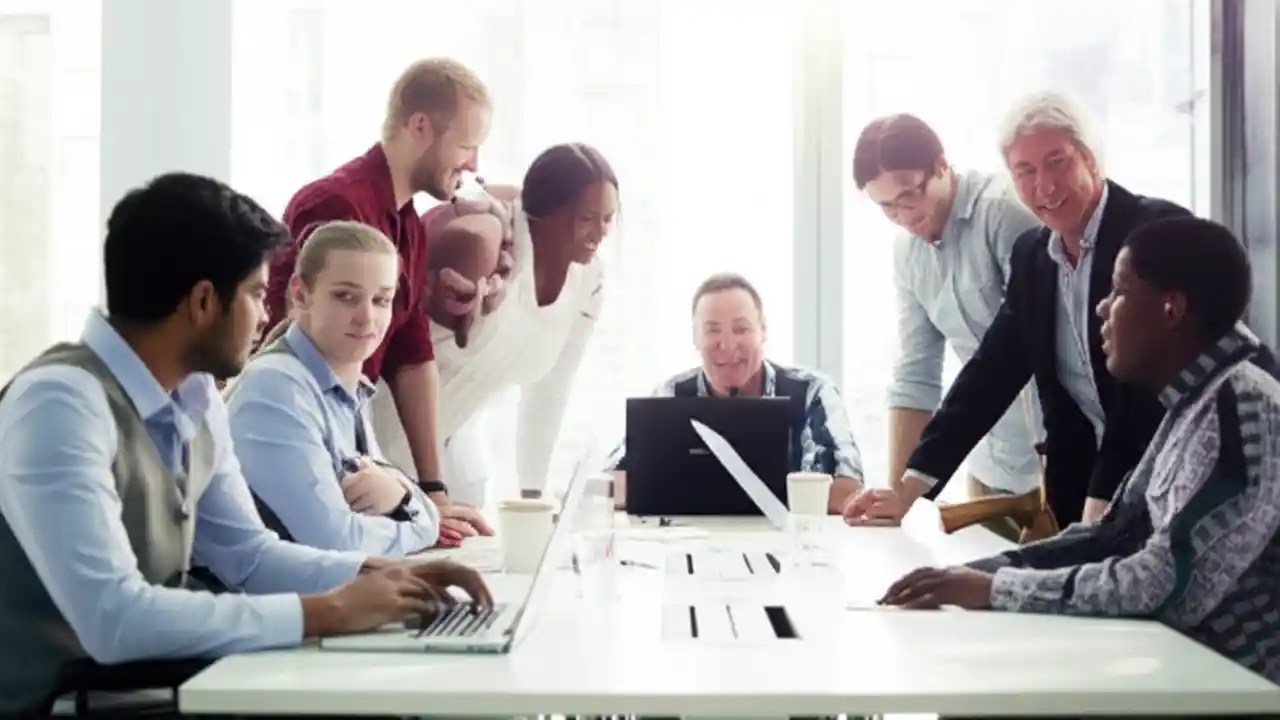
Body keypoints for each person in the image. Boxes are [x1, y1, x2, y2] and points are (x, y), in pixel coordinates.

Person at [0, 173, 491, 715]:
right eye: (258, 294)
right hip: (53, 701)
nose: (267, 317)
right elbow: (114, 618)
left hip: (135, 684)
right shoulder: (61, 403)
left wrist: (383, 575)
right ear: (204, 302)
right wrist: (329, 610)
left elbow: (250, 558)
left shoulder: (195, 397)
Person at [878, 216, 1279, 686]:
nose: (1102, 309)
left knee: (982, 681)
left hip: (1230, 692)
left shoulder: (1239, 410)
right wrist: (980, 573)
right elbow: (1113, 535)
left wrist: (995, 588)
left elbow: (1163, 584)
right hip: (1175, 671)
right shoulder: (1197, 398)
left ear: (1171, 309)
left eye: (1119, 291)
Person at [844, 91, 1189, 529]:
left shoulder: (1152, 234)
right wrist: (907, 489)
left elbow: (1142, 395)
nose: (1043, 187)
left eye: (1057, 163)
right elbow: (990, 373)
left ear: (1089, 158)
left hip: (1176, 475)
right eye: (1024, 171)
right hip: (1074, 474)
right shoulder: (1036, 254)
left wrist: (1096, 514)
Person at [265, 57, 504, 538]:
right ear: (419, 126)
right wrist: (413, 510)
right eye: (466, 145)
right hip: (306, 450)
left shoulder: (409, 226)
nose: (474, 164)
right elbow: (302, 344)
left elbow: (413, 356)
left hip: (348, 450)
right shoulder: (337, 205)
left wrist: (433, 489)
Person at [371, 142, 616, 506]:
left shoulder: (588, 280)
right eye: (586, 218)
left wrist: (534, 496)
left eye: (607, 218)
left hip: (455, 452)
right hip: (379, 443)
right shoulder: (490, 244)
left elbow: (550, 393)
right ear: (547, 212)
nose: (600, 232)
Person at [853, 113, 1044, 513]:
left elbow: (1032, 348)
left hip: (1055, 463)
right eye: (887, 207)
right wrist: (898, 498)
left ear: (941, 165)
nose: (904, 216)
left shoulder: (1004, 214)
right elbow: (915, 374)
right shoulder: (907, 254)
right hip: (989, 467)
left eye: (909, 195)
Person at [228, 221, 443, 555]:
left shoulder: (348, 387)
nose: (366, 317)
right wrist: (421, 522)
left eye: (381, 300)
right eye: (346, 296)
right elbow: (336, 541)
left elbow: (393, 499)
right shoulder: (274, 388)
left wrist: (401, 496)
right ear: (300, 293)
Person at [607, 273, 864, 512]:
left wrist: (689, 491)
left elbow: (847, 488)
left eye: (741, 329)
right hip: (692, 546)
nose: (728, 345)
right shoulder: (669, 395)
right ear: (695, 337)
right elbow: (608, 485)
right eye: (712, 330)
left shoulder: (812, 391)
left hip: (786, 548)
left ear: (763, 331)